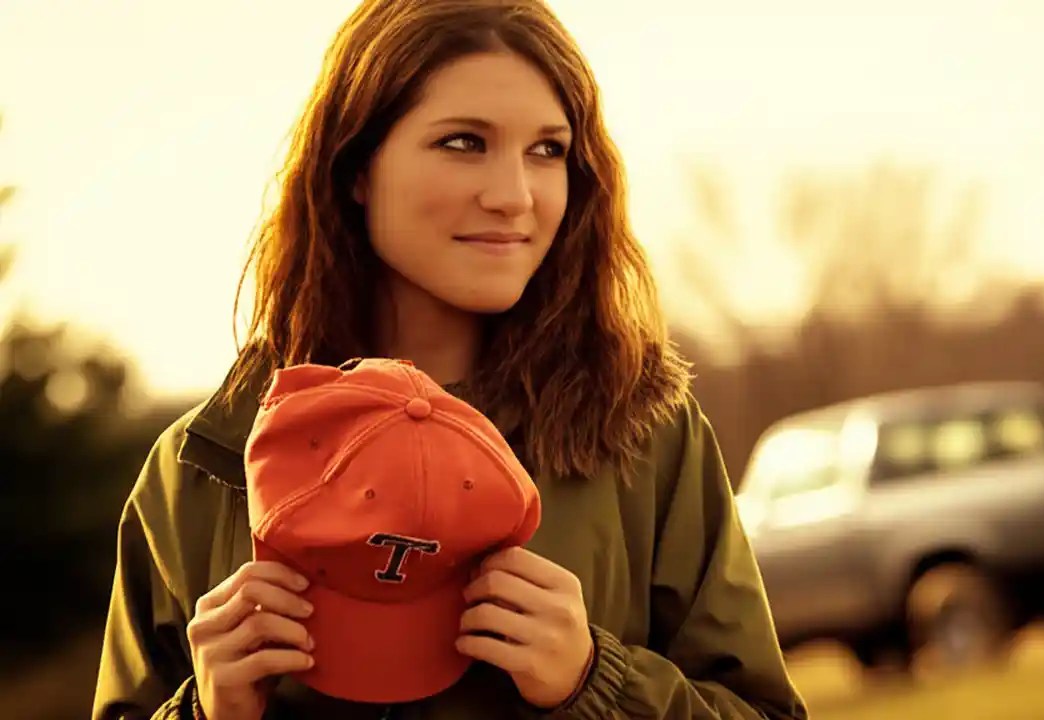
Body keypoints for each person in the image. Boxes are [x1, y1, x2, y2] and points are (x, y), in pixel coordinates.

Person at [92, 0, 809, 718]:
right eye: (464, 143)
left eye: (548, 150)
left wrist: (597, 682)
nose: (513, 196)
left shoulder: (641, 435)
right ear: (355, 167)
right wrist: (204, 713)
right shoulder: (203, 468)